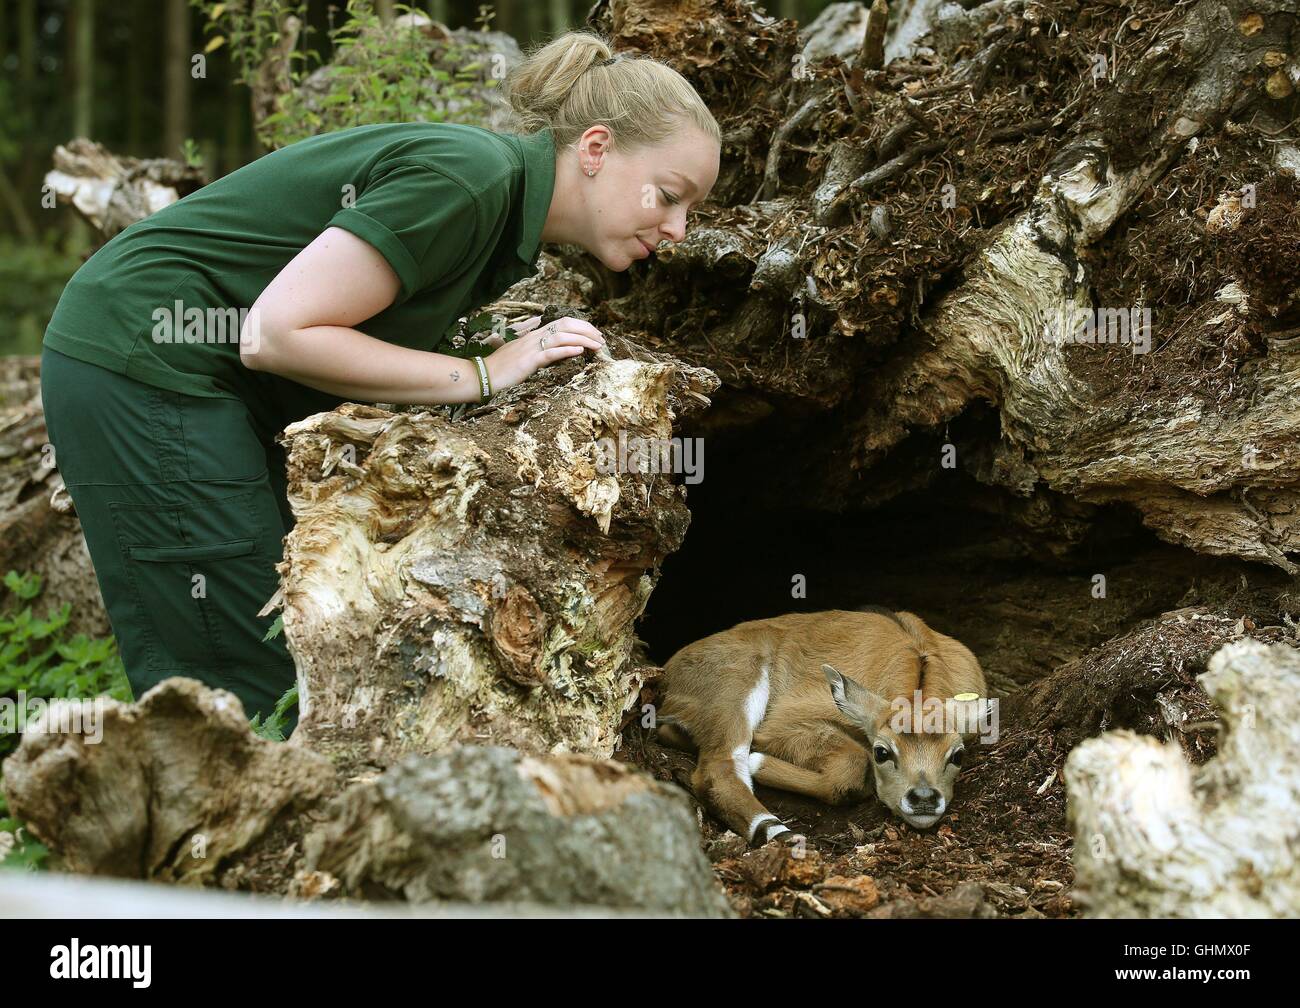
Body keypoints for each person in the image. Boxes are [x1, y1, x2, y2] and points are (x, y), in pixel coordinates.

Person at [38, 29, 721, 734]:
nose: (677, 228)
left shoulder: (500, 208)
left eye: (690, 210)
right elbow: (277, 333)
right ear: (597, 148)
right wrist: (483, 372)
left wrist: (489, 345)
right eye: (669, 195)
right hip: (144, 366)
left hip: (187, 381)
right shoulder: (468, 179)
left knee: (278, 641)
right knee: (238, 668)